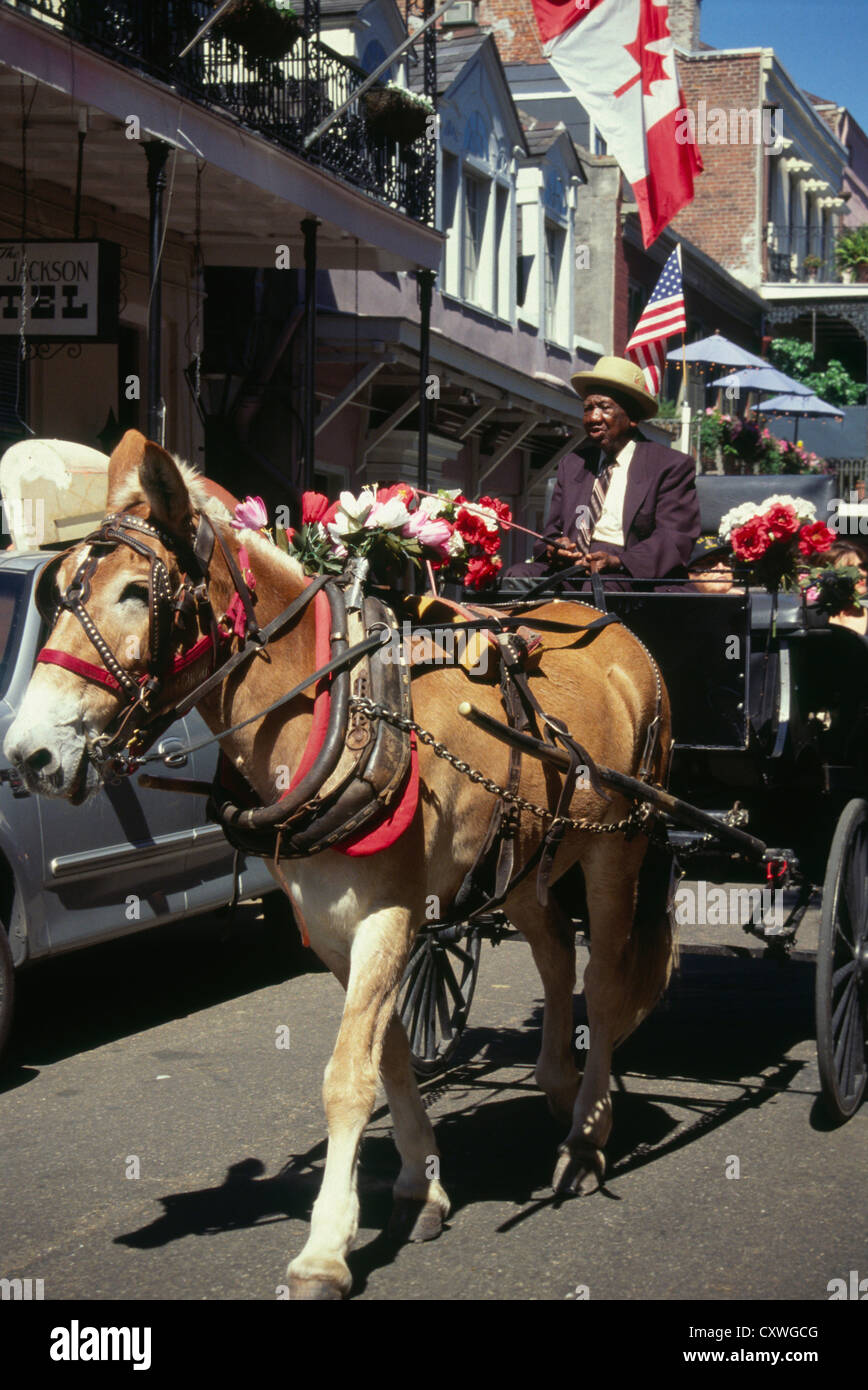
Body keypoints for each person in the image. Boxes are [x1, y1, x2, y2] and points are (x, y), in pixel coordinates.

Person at [508, 356, 701, 583]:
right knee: (515, 578)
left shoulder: (669, 465)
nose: (593, 418)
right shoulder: (573, 465)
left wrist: (618, 562)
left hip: (629, 574)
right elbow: (550, 535)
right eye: (588, 408)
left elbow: (674, 540)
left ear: (633, 418)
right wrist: (556, 548)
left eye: (604, 407)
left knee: (600, 588)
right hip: (572, 569)